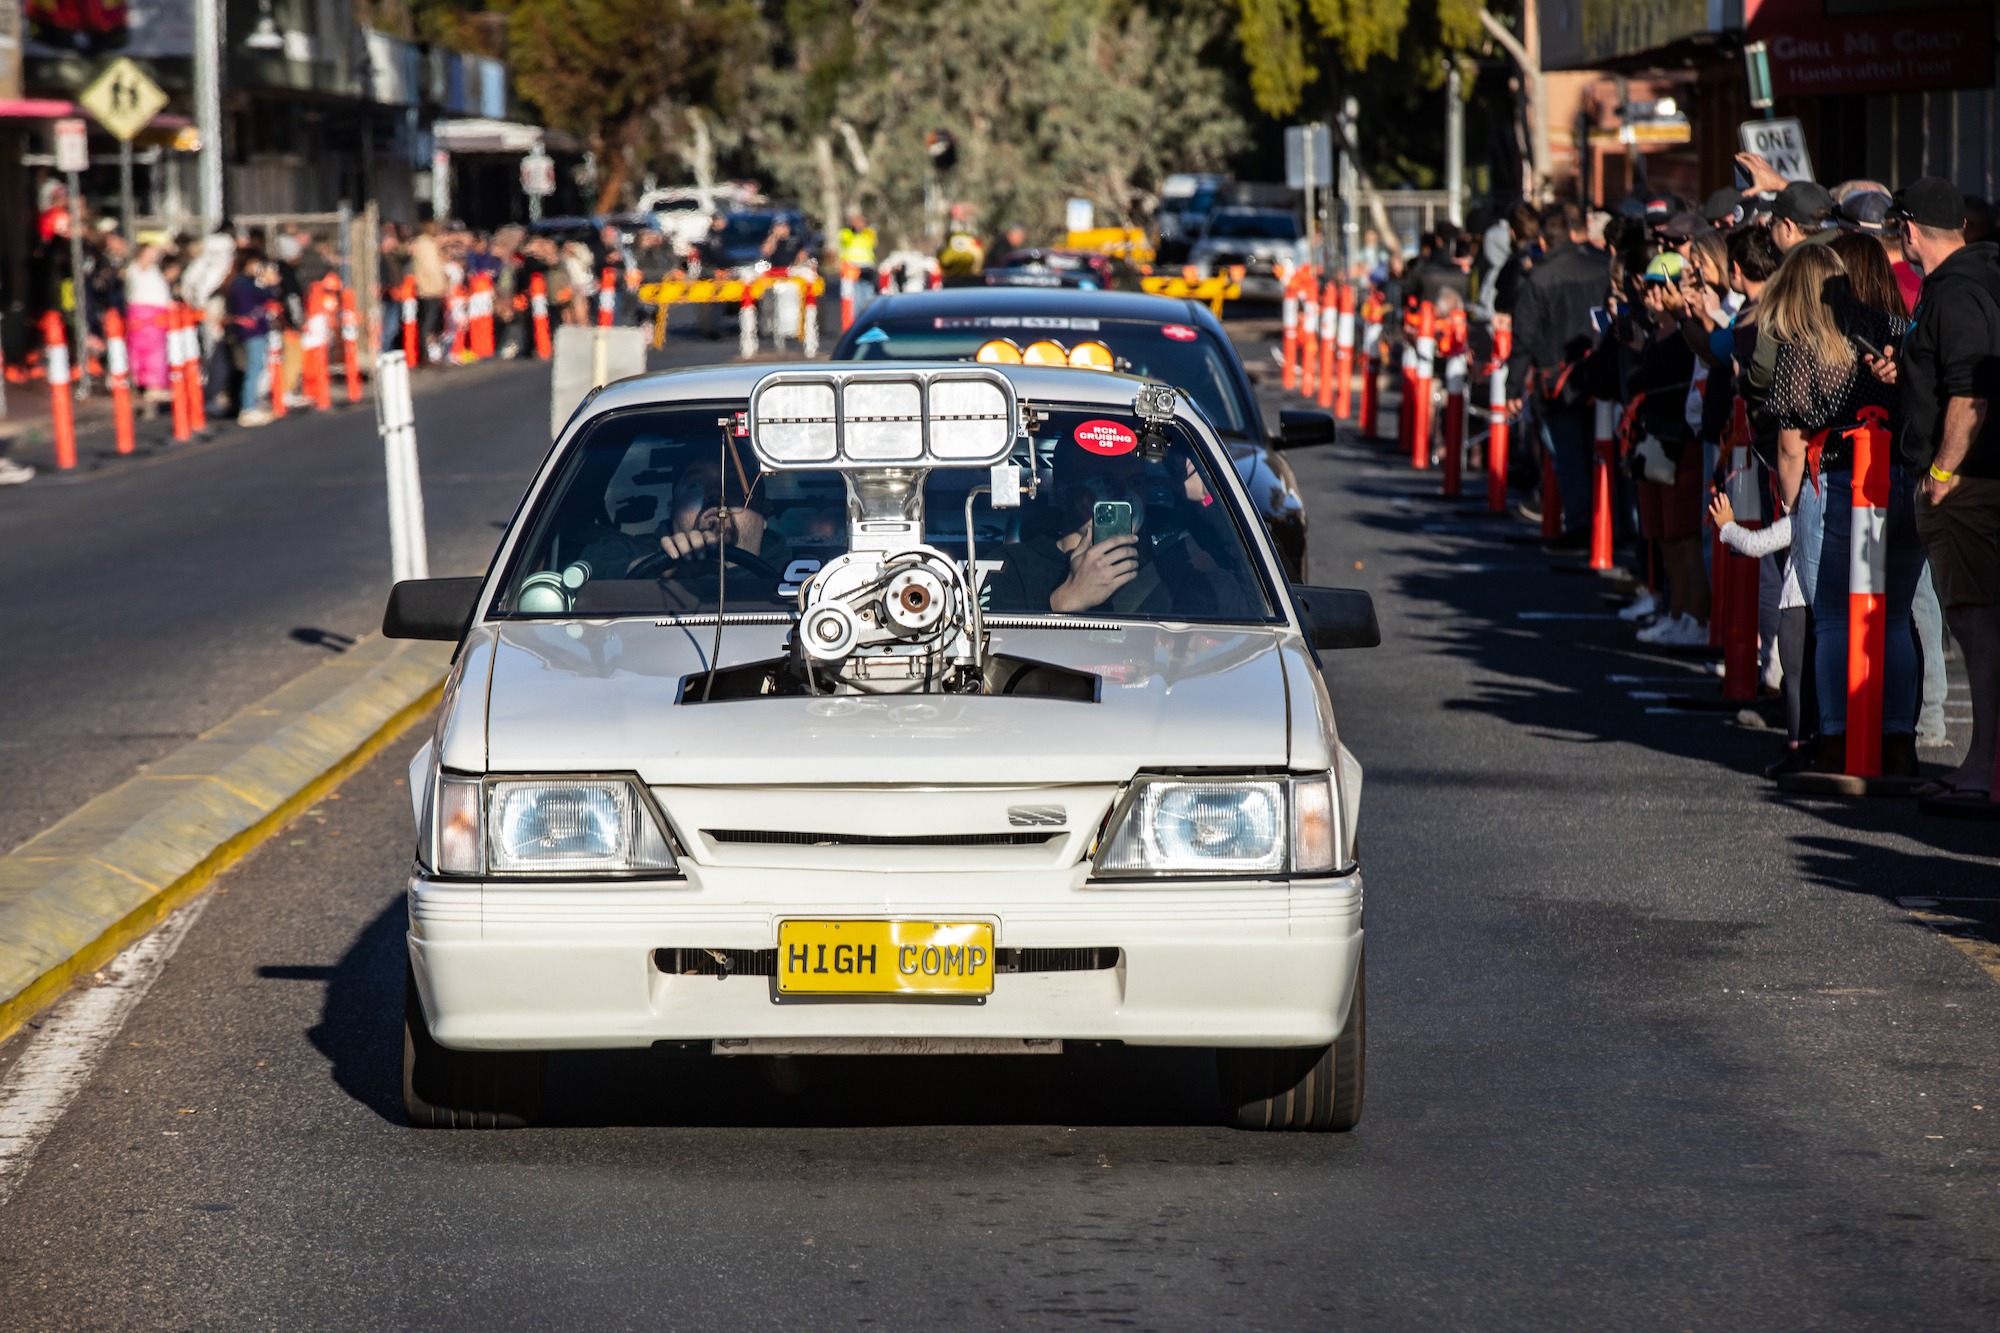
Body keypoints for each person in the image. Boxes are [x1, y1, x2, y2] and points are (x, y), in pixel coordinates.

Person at [1867, 176, 2000, 801]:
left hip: (1966, 484)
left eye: (1901, 230)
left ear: (1911, 230)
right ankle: (1982, 766)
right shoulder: (1972, 278)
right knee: (1976, 620)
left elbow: (1971, 390)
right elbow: (1951, 375)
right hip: (1971, 477)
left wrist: (1942, 475)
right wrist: (1907, 365)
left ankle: (1980, 769)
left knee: (1974, 621)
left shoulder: (1955, 290)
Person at [1767, 243, 1920, 775]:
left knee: (1831, 619)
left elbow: (1790, 444)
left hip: (1833, 480)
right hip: (1902, 479)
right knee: (1895, 619)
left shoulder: (1804, 343)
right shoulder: (1895, 330)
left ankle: (1836, 741)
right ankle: (1898, 744)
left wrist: (1791, 506)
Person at [1505, 201, 1609, 548]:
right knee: (1603, 455)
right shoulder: (1601, 266)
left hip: (1558, 379)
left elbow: (1524, 336)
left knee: (1568, 456)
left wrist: (1513, 386)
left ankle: (1580, 526)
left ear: (1545, 243)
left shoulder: (1541, 277)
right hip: (1600, 374)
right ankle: (1608, 527)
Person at [226, 251, 277, 426]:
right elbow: (266, 295)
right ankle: (248, 408)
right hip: (250, 332)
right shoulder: (241, 284)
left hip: (257, 330)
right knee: (253, 369)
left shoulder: (246, 283)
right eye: (256, 264)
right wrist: (269, 282)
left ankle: (252, 405)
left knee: (257, 367)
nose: (258, 269)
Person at [124, 239, 175, 411]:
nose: (154, 256)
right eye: (151, 252)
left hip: (158, 315)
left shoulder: (153, 270)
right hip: (145, 315)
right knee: (147, 351)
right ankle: (150, 385)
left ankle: (156, 384)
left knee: (158, 350)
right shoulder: (138, 268)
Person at [408, 219, 447, 359]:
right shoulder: (426, 245)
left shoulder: (426, 244)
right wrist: (440, 284)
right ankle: (425, 353)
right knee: (429, 321)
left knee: (429, 320)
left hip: (429, 286)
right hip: (429, 288)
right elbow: (431, 268)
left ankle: (428, 351)